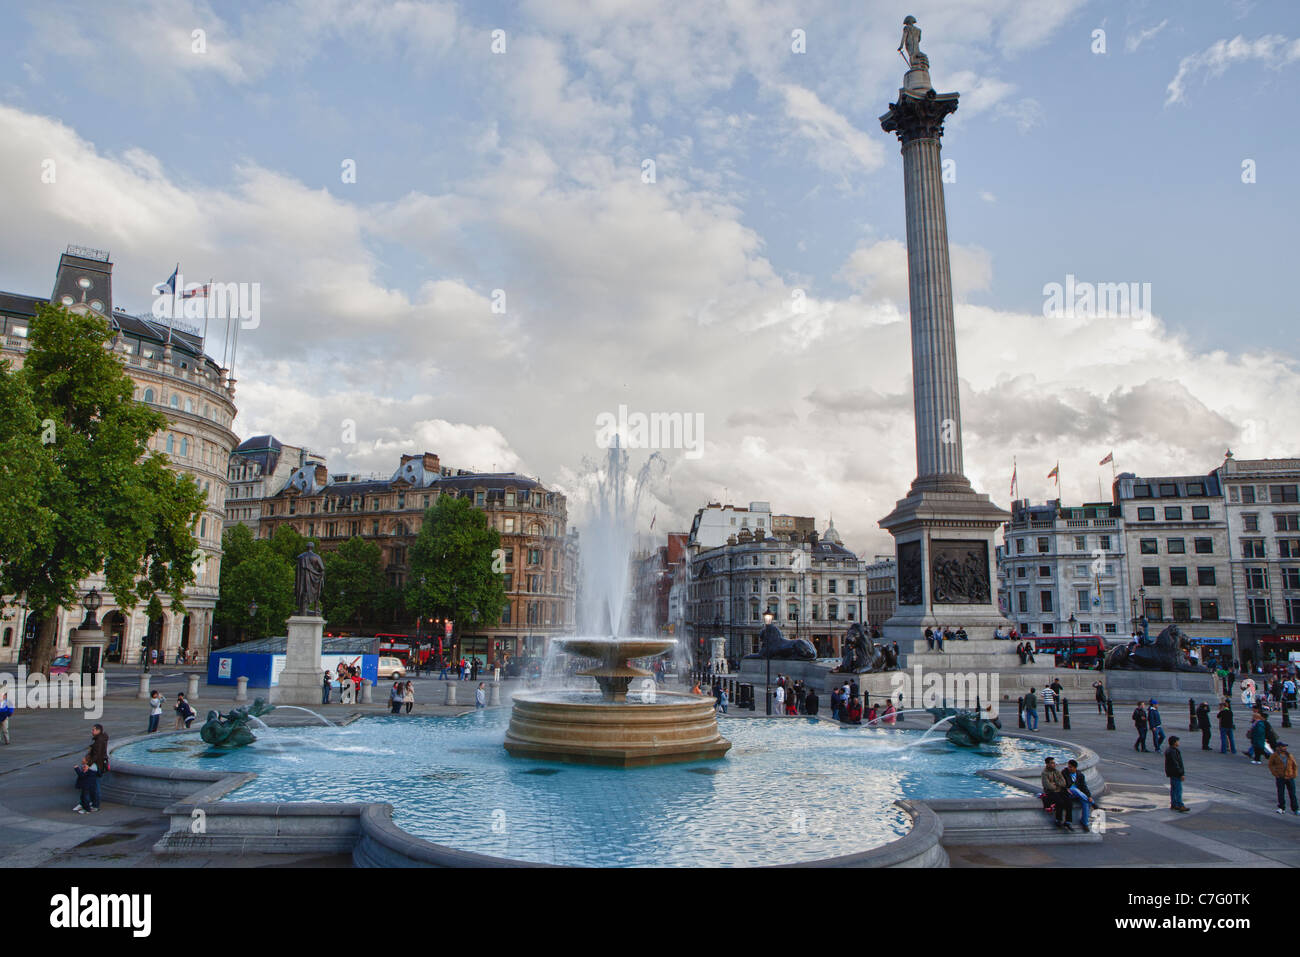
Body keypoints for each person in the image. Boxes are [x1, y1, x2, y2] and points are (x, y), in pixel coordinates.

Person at [77, 724, 109, 813]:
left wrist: (89, 764)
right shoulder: (101, 739)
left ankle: (95, 805)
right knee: (94, 786)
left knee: (95, 787)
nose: (92, 731)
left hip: (97, 766)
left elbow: (96, 755)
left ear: (98, 730)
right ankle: (92, 803)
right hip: (99, 765)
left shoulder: (99, 741)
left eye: (93, 730)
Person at [1062, 758, 1098, 832]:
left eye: (1071, 767)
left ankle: (1085, 823)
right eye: (1068, 766)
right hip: (1068, 793)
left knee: (1085, 802)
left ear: (1075, 768)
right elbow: (1060, 783)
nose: (1069, 768)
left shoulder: (1080, 775)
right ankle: (1093, 803)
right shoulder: (1064, 773)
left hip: (1078, 794)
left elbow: (1084, 787)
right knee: (1075, 790)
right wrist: (1066, 788)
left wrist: (1089, 796)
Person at [1040, 757, 1073, 830]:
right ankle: (1058, 820)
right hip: (1051, 792)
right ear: (1047, 764)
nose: (1054, 764)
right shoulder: (1044, 773)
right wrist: (1057, 785)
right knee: (1059, 802)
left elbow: (1063, 783)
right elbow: (1048, 786)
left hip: (1059, 790)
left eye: (1054, 763)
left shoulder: (1057, 771)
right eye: (1052, 763)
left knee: (1069, 802)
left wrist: (1056, 783)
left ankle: (1068, 821)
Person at [1268, 741, 1298, 815]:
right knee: (1281, 793)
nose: (1285, 748)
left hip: (1289, 777)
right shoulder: (1274, 756)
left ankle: (1295, 809)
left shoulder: (1289, 755)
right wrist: (1275, 773)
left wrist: (1294, 774)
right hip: (1280, 777)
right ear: (1278, 748)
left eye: (1285, 747)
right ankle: (1281, 808)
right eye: (1283, 746)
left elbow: (1295, 765)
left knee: (1292, 794)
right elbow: (1270, 765)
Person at [1165, 736, 1189, 812]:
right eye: (1177, 741)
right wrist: (1181, 773)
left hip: (1172, 773)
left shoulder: (1170, 750)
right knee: (1178, 790)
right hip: (1176, 773)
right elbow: (1176, 764)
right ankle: (1179, 804)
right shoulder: (1173, 751)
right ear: (1174, 742)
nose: (1178, 743)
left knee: (1174, 789)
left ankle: (1174, 804)